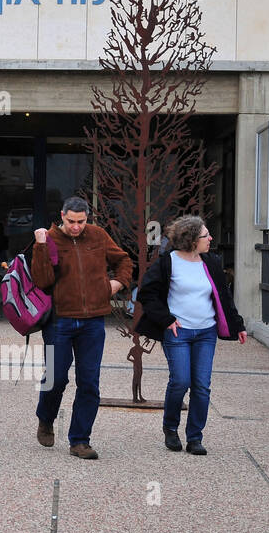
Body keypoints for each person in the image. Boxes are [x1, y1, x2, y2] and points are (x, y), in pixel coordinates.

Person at [30, 196, 133, 459]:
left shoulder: (98, 236)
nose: (76, 227)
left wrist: (117, 284)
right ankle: (46, 418)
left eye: (81, 221)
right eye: (71, 221)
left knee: (89, 382)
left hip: (93, 322)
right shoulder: (48, 239)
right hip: (59, 321)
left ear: (87, 218)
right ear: (62, 216)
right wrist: (41, 246)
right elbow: (41, 281)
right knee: (55, 378)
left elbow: (124, 261)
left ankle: (80, 440)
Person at [136, 215, 246, 455]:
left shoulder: (211, 262)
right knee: (180, 381)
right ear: (191, 239)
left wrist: (238, 325)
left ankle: (195, 437)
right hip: (178, 332)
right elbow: (147, 294)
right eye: (206, 235)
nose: (211, 239)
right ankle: (171, 428)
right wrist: (166, 320)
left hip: (206, 332)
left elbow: (223, 297)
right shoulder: (168, 262)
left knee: (201, 386)